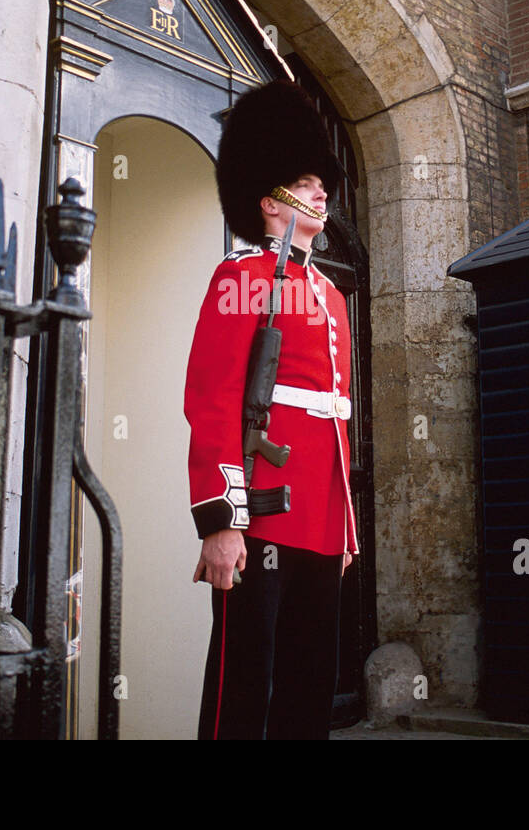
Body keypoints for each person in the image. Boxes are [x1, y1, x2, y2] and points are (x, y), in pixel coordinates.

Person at [184, 79, 358, 740]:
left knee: (309, 691)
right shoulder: (241, 278)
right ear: (267, 198)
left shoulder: (331, 295)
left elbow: (334, 416)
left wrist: (345, 526)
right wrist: (221, 524)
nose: (321, 193)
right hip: (261, 516)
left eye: (321, 182)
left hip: (321, 524)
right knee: (244, 689)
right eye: (306, 181)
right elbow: (213, 401)